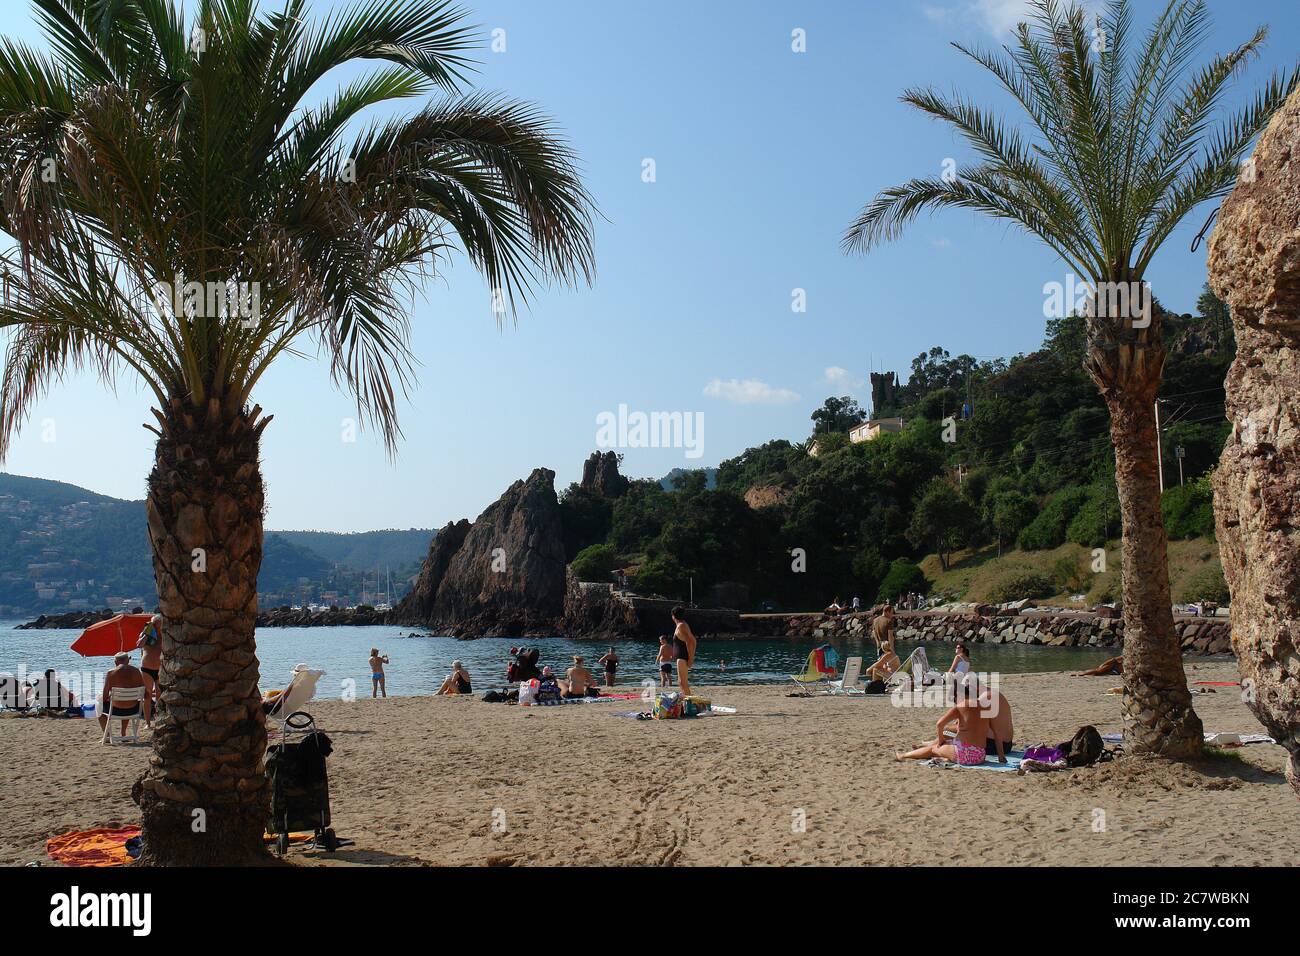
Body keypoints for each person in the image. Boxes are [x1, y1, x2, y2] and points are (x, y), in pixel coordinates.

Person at [895, 675, 990, 765]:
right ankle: (938, 753)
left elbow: (939, 724)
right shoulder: (984, 705)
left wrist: (940, 741)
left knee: (933, 749)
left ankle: (902, 755)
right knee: (948, 743)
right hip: (981, 755)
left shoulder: (961, 706)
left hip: (967, 756)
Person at [98, 651, 149, 736]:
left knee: (98, 706)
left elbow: (104, 697)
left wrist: (107, 697)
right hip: (133, 710)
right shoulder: (137, 672)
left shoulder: (110, 673)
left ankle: (107, 736)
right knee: (128, 700)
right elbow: (146, 695)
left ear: (115, 662)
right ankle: (123, 732)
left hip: (115, 710)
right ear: (128, 660)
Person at [136, 613, 163, 711]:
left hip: (160, 669)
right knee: (147, 695)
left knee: (160, 695)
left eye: (158, 624)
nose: (156, 626)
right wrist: (147, 632)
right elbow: (139, 645)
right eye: (154, 624)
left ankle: (158, 717)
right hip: (147, 668)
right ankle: (147, 723)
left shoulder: (165, 636)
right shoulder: (145, 635)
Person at [671, 606, 697, 696]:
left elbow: (690, 642)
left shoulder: (681, 626)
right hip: (682, 657)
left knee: (683, 683)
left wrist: (691, 658)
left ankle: (689, 703)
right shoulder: (682, 624)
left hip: (682, 657)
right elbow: (693, 641)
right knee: (681, 682)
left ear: (673, 616)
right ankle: (688, 702)